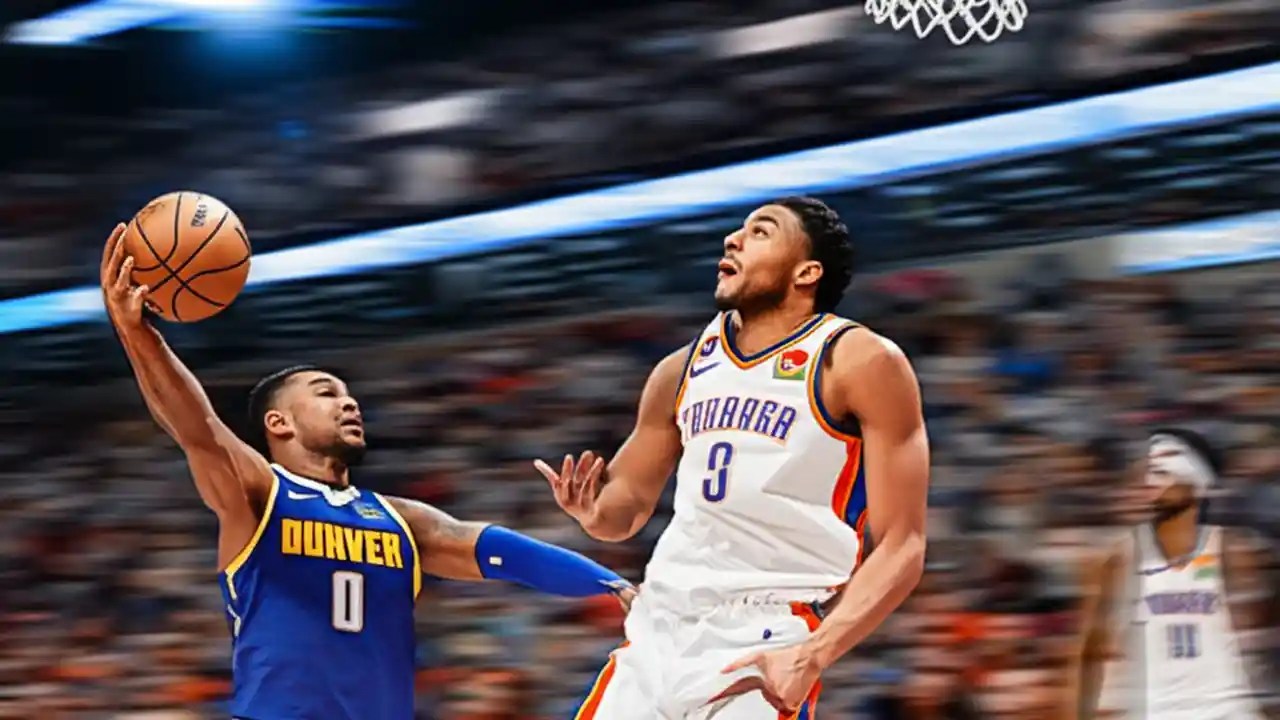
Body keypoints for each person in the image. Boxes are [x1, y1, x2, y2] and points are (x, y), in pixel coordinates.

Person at [98, 223, 635, 720]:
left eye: (350, 394)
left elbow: (497, 550)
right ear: (278, 422)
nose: (349, 403)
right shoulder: (258, 492)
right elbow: (197, 425)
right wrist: (136, 333)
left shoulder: (399, 519)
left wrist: (608, 582)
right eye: (327, 393)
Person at [537, 197, 930, 718]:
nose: (733, 239)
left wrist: (814, 653)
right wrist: (591, 511)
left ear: (806, 271)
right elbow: (624, 511)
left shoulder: (858, 360)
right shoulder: (680, 368)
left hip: (762, 632)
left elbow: (903, 545)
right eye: (738, 231)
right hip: (659, 625)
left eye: (761, 232)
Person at [1069, 428, 1274, 720]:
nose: (1151, 482)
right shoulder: (1117, 559)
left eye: (1165, 473)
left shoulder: (1236, 553)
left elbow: (1261, 648)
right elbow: (1089, 654)